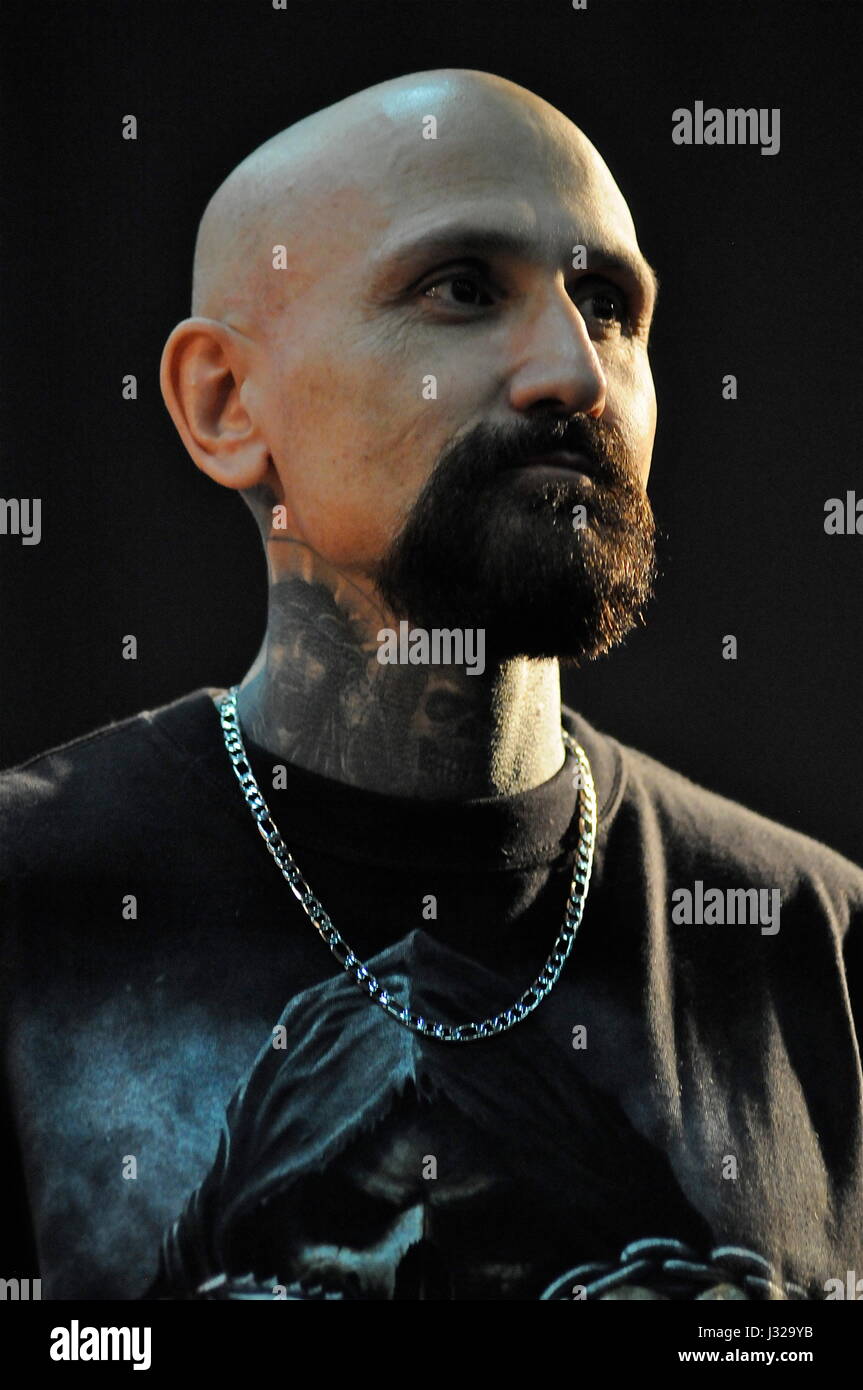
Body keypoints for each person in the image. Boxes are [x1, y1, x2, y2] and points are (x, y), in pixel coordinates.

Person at [2, 69, 861, 1302]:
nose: (572, 369)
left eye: (609, 304)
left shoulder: (817, 950)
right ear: (225, 401)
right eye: (461, 289)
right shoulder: (30, 904)